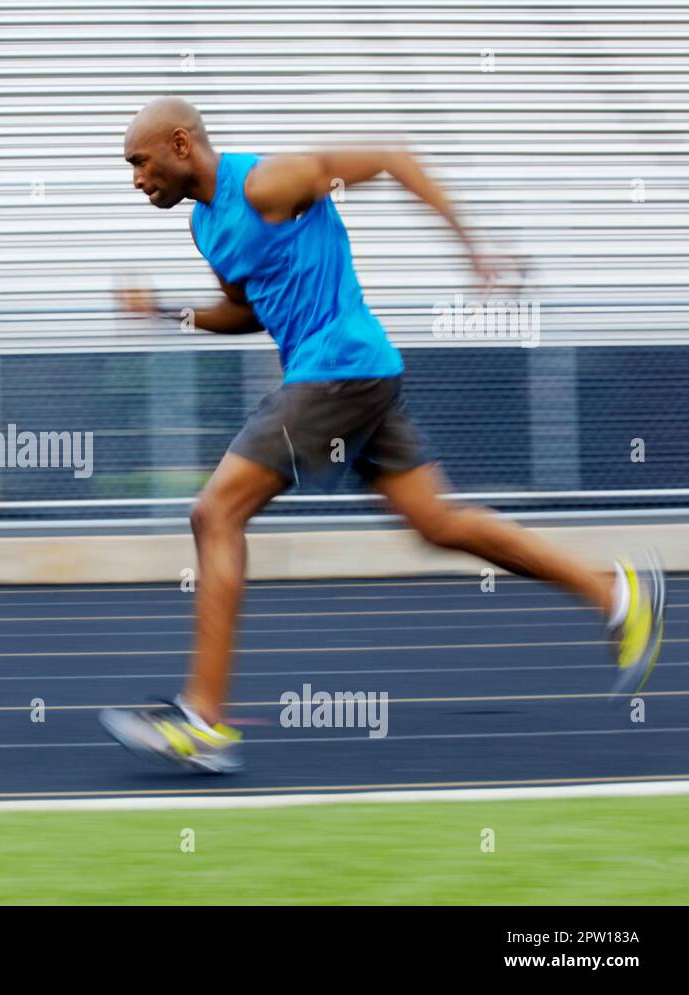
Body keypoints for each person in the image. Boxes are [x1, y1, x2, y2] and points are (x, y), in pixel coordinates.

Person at [99, 97, 665, 773]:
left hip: (335, 371)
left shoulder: (267, 182)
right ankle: (615, 593)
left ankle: (204, 719)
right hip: (356, 375)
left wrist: (472, 249)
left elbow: (393, 157)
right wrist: (168, 313)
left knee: (214, 512)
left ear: (182, 145)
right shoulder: (205, 226)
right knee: (437, 522)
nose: (135, 177)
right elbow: (246, 312)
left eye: (139, 160)